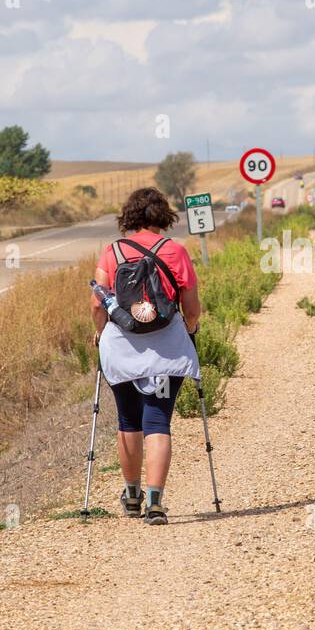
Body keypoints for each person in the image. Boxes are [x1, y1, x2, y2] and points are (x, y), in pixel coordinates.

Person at [92, 187, 202, 526]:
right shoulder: (176, 252)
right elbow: (193, 309)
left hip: (121, 350)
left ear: (130, 215)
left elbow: (98, 304)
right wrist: (190, 330)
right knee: (157, 421)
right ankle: (155, 502)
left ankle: (132, 495)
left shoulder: (112, 253)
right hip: (166, 350)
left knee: (128, 421)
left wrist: (100, 335)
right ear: (163, 215)